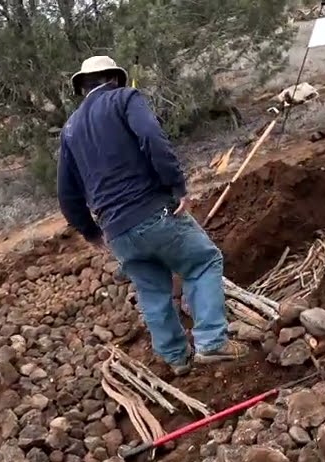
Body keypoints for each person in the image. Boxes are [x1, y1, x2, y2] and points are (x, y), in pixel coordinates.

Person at [57, 55, 247, 375]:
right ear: (114, 79)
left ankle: (176, 358)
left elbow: (66, 192)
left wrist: (89, 231)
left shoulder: (70, 129)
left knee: (152, 290)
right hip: (153, 210)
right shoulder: (125, 98)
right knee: (203, 262)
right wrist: (176, 186)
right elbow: (153, 139)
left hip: (116, 232)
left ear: (84, 88)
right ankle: (212, 342)